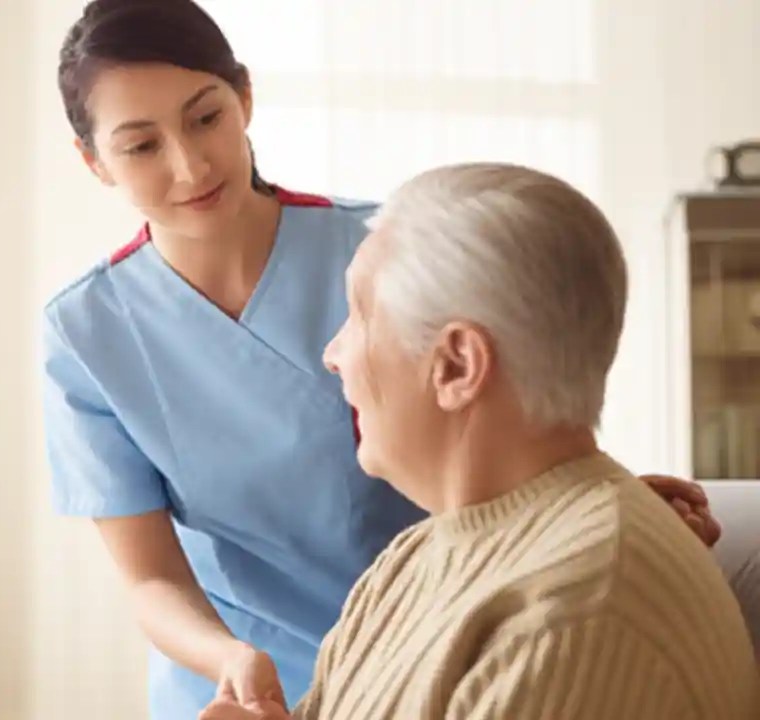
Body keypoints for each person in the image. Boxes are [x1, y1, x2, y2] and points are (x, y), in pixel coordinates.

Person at [41, 1, 719, 716]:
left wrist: (586, 510)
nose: (189, 163)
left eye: (205, 117)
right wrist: (233, 658)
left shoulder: (387, 250)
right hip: (242, 690)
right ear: (94, 161)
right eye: (141, 146)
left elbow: (514, 420)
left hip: (437, 638)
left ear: (243, 97)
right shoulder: (88, 332)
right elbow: (150, 578)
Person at [197, 163, 759, 720]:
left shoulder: (577, 618)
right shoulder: (414, 558)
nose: (333, 355)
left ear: (456, 365)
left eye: (359, 318)